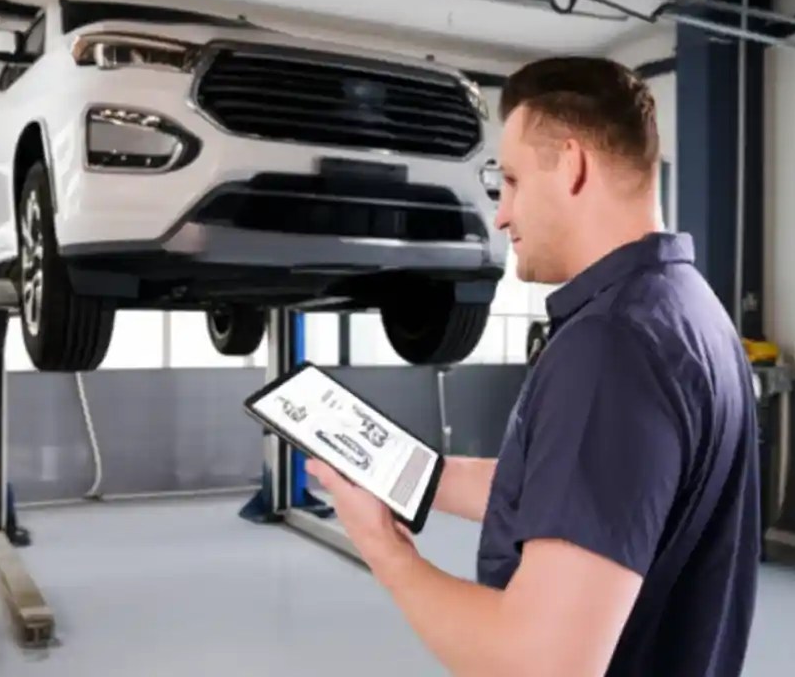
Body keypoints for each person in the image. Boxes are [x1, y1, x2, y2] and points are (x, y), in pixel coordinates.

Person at [307, 55, 762, 677]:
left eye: (512, 181)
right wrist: (409, 474)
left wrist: (386, 551)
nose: (500, 214)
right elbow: (594, 492)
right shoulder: (688, 308)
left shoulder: (612, 347)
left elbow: (541, 666)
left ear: (572, 166)